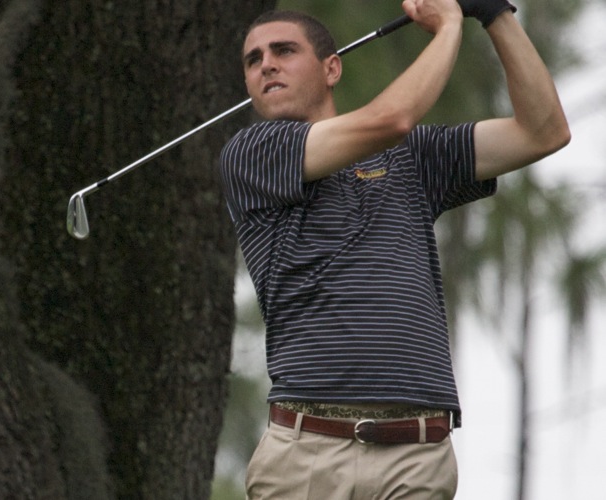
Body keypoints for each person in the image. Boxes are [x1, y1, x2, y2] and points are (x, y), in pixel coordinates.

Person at [219, 0, 570, 498]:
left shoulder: (414, 158)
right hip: (308, 452)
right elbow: (394, 117)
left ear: (331, 67)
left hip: (417, 451)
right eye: (253, 60)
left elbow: (544, 131)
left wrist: (494, 15)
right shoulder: (254, 152)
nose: (266, 64)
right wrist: (449, 23)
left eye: (283, 50)